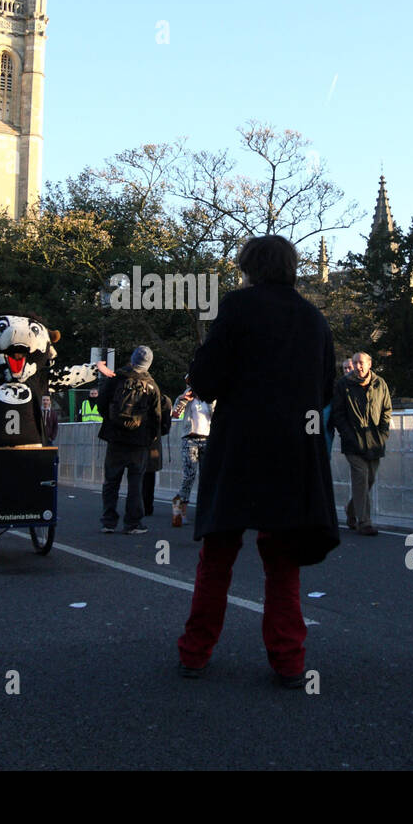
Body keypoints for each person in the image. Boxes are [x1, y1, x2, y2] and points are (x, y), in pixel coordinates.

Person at [177, 235, 339, 686]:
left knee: (218, 554)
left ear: (250, 268)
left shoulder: (237, 307)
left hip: (240, 444)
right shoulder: (314, 319)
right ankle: (288, 660)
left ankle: (195, 652)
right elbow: (325, 389)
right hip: (293, 450)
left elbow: (207, 381)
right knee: (282, 559)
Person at [96, 346, 163, 534]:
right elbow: (157, 416)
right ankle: (133, 523)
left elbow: (102, 403)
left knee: (111, 481)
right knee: (136, 483)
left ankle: (108, 522)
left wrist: (111, 422)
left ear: (132, 360)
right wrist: (151, 437)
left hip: (115, 438)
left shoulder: (117, 378)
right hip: (139, 442)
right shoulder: (151, 385)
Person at [328, 351, 391, 536]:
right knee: (361, 477)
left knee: (369, 479)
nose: (358, 366)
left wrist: (382, 435)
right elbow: (338, 413)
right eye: (355, 363)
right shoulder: (344, 385)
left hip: (374, 442)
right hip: (353, 443)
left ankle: (351, 510)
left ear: (369, 364)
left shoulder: (380, 384)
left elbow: (387, 410)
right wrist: (348, 436)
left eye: (361, 363)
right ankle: (365, 522)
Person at [171, 377, 212, 527]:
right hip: (190, 439)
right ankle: (179, 511)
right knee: (189, 475)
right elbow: (175, 414)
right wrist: (183, 400)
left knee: (207, 476)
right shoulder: (186, 397)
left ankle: (205, 512)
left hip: (207, 440)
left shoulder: (210, 399)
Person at [141, 388, 172, 518]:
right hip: (153, 439)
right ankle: (148, 506)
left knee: (136, 474)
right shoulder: (163, 400)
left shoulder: (134, 396)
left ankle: (136, 506)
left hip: (134, 438)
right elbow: (165, 425)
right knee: (149, 474)